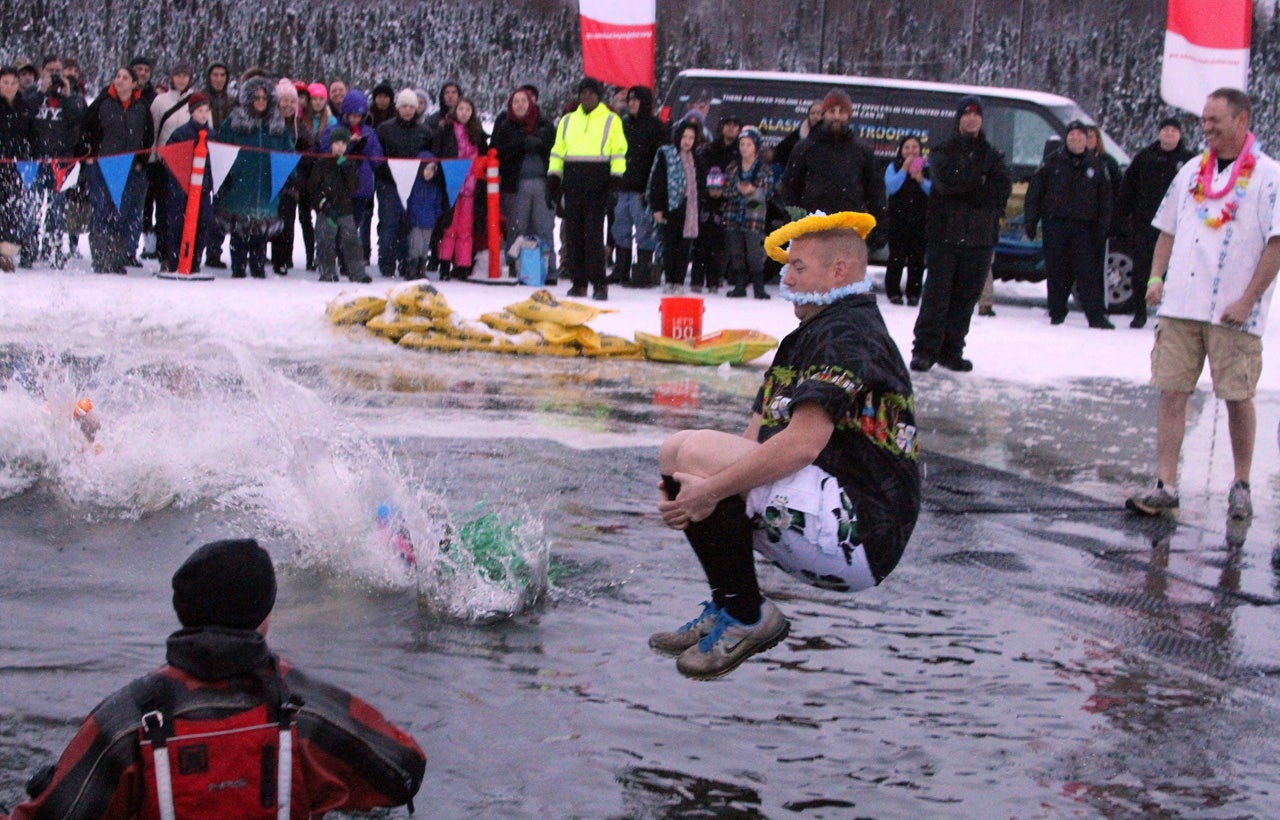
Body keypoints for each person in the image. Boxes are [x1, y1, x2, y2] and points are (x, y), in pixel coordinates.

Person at [652, 211, 920, 679]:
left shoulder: (847, 334)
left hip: (860, 530)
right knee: (677, 457)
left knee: (694, 460)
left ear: (839, 271)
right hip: (827, 517)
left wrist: (710, 491)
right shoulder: (809, 335)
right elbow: (752, 442)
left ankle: (749, 615)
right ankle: (730, 605)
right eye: (787, 266)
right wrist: (683, 489)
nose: (786, 277)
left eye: (798, 267)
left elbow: (801, 446)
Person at [5, 538, 426, 818]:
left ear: (184, 614)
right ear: (264, 616)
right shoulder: (307, 709)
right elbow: (405, 771)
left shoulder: (127, 720)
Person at [1125, 88, 1280, 522]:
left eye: (1215, 120)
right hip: (1181, 307)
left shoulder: (1269, 176)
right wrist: (1156, 277)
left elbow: (1276, 245)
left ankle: (1241, 483)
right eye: (1204, 120)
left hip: (1233, 310)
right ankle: (1165, 484)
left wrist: (1247, 299)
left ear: (1242, 121)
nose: (1206, 127)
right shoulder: (1192, 170)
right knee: (1172, 392)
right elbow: (1167, 229)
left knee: (1236, 397)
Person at [909, 95, 1011, 373]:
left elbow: (1001, 189)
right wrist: (978, 181)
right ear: (958, 119)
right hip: (945, 236)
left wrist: (970, 185)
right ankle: (924, 350)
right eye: (966, 114)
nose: (971, 119)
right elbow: (945, 183)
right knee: (936, 296)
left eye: (976, 114)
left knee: (965, 298)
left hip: (979, 239)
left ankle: (951, 350)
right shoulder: (944, 150)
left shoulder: (992, 154)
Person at [1023, 120, 1115, 329]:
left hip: (1085, 228)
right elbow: (1035, 193)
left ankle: (1095, 316)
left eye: (1080, 136)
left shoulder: (1096, 166)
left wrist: (1103, 227)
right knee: (1057, 271)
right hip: (1055, 224)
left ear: (1087, 139)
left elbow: (1105, 200)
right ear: (1066, 138)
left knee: (1088, 274)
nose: (1076, 139)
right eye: (1071, 135)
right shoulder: (1051, 162)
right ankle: (1057, 313)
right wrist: (1031, 220)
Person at [547, 77, 627, 301]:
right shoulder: (567, 121)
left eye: (591, 93)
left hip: (598, 185)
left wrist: (615, 183)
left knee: (593, 238)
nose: (587, 97)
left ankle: (599, 284)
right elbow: (557, 152)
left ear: (599, 96)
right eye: (583, 93)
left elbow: (619, 153)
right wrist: (553, 179)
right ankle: (578, 282)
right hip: (572, 185)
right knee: (572, 237)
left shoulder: (612, 120)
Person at [1114, 116, 1194, 329]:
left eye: (1173, 131)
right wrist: (1121, 217)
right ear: (1159, 133)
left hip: (1177, 227)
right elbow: (1127, 188)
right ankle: (1140, 312)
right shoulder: (1144, 157)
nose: (1169, 134)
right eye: (1165, 130)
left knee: (1172, 271)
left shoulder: (1189, 161)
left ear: (1179, 135)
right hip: (1144, 224)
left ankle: (1165, 313)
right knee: (1141, 269)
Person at [215, 76, 296, 278]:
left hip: (267, 184)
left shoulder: (277, 126)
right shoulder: (233, 123)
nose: (261, 101)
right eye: (256, 97)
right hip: (239, 185)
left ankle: (258, 267)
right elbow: (221, 153)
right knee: (239, 230)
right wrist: (227, 177)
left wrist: (289, 177)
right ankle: (238, 267)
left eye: (264, 98)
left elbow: (288, 154)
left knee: (260, 231)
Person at [780, 89, 885, 246]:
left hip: (849, 231)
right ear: (824, 114)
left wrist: (879, 230)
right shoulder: (805, 147)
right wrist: (795, 220)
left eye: (842, 111)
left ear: (849, 115)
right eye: (832, 111)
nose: (836, 116)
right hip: (812, 230)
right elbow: (790, 187)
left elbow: (875, 192)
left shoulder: (862, 150)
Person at [77, 66, 154, 275]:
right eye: (117, 76)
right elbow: (86, 128)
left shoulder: (141, 107)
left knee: (123, 214)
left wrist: (142, 160)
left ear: (134, 84)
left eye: (125, 77)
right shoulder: (102, 102)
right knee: (102, 213)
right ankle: (101, 258)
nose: (120, 81)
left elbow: (148, 136)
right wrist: (88, 155)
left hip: (130, 168)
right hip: (102, 167)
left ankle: (117, 257)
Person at [493, 86, 557, 282]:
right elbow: (497, 152)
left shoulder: (545, 125)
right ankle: (515, 267)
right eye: (516, 102)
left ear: (531, 103)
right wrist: (521, 144)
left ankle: (548, 270)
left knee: (544, 228)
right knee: (516, 228)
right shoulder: (505, 127)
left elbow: (555, 149)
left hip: (543, 184)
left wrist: (539, 142)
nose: (520, 105)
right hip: (516, 185)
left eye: (523, 101)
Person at [608, 85, 663, 288]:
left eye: (636, 99)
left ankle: (643, 271)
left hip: (642, 191)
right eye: (629, 99)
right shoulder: (622, 125)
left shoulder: (656, 127)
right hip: (623, 188)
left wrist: (650, 190)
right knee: (619, 229)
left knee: (644, 233)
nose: (631, 103)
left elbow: (658, 163)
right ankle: (621, 269)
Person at [376, 88, 434, 278]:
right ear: (398, 108)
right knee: (388, 224)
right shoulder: (385, 129)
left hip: (415, 186)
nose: (408, 110)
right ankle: (386, 262)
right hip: (389, 184)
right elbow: (378, 157)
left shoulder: (425, 132)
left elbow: (429, 158)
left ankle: (406, 261)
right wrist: (390, 172)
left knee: (408, 225)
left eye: (411, 107)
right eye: (404, 106)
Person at [648, 118, 708, 295]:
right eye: (684, 136)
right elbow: (657, 183)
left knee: (684, 248)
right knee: (669, 247)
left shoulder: (697, 159)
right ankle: (669, 280)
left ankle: (679, 281)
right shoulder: (667, 155)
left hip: (689, 211)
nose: (687, 141)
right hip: (670, 208)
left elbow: (701, 184)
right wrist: (657, 208)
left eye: (691, 137)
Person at [160, 94, 216, 273]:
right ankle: (176, 261)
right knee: (177, 225)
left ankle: (195, 260)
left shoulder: (213, 136)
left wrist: (210, 184)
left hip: (203, 190)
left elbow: (217, 163)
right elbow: (169, 159)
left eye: (206, 111)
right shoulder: (180, 134)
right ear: (192, 112)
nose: (203, 115)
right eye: (200, 111)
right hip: (180, 190)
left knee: (203, 224)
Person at [147, 62, 196, 269]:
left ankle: (185, 253)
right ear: (172, 77)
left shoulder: (197, 101)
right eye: (178, 75)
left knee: (187, 212)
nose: (182, 79)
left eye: (186, 75)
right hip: (164, 163)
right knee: (164, 212)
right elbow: (153, 130)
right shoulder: (160, 101)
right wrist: (152, 158)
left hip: (191, 165)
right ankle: (165, 254)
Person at [434, 95, 487, 280]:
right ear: (455, 111)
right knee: (449, 227)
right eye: (461, 109)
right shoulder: (446, 129)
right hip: (451, 182)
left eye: (468, 110)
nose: (464, 113)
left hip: (471, 187)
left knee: (466, 228)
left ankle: (463, 264)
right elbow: (438, 153)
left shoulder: (477, 133)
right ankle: (444, 263)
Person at [309, 125, 371, 284]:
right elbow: (313, 188)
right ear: (330, 144)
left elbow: (354, 185)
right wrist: (323, 204)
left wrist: (346, 167)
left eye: (343, 144)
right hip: (327, 211)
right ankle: (327, 271)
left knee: (351, 241)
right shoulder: (321, 164)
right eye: (336, 143)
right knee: (325, 241)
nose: (340, 147)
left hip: (345, 210)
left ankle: (357, 272)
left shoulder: (349, 164)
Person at [722, 125, 775, 299]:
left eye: (748, 145)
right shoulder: (732, 168)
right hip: (732, 215)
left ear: (756, 148)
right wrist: (737, 190)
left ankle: (758, 287)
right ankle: (739, 285)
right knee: (736, 252)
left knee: (754, 252)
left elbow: (767, 192)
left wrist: (753, 190)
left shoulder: (764, 169)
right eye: (742, 144)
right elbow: (725, 190)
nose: (744, 148)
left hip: (754, 216)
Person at [270, 78, 316, 275]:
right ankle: (266, 257)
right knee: (268, 220)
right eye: (284, 101)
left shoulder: (300, 126)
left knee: (287, 222)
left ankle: (284, 259)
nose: (288, 105)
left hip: (291, 181)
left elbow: (310, 152)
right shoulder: (269, 123)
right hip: (270, 178)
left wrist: (296, 168)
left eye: (292, 102)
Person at [882, 136, 931, 306]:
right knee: (896, 257)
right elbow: (891, 187)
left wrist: (921, 180)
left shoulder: (927, 168)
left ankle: (913, 293)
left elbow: (935, 192)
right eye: (907, 147)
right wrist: (904, 170)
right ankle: (893, 291)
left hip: (920, 220)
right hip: (898, 220)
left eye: (915, 147)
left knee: (917, 259)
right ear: (901, 150)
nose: (911, 151)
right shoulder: (893, 166)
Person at [0, 65, 32, 273]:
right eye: (5, 83)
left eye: (13, 83)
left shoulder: (24, 107)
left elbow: (30, 134)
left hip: (17, 166)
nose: (10, 87)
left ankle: (6, 253)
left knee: (12, 209)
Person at [404, 151, 447, 279]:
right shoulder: (413, 185)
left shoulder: (434, 188)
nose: (429, 173)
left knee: (424, 248)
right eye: (426, 169)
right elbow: (408, 202)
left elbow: (437, 204)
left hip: (429, 223)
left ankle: (421, 269)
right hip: (416, 222)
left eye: (432, 170)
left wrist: (436, 215)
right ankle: (411, 268)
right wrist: (408, 217)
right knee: (415, 246)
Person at [773, 101, 823, 171]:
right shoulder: (798, 134)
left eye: (819, 113)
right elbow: (780, 152)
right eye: (812, 113)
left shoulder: (831, 136)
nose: (815, 116)